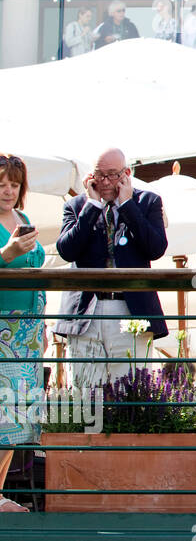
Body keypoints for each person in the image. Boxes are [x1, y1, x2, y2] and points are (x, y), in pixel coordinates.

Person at [54, 148, 168, 389]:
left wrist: (127, 205)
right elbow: (66, 250)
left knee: (132, 394)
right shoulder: (76, 206)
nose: (105, 182)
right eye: (99, 175)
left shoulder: (147, 202)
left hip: (131, 310)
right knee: (86, 395)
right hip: (87, 311)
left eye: (112, 175)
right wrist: (91, 206)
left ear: (126, 174)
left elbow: (156, 248)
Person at [0, 156, 45, 512]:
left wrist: (40, 326)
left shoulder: (24, 219)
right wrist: (8, 252)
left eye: (14, 184)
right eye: (1, 184)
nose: (8, 190)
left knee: (15, 417)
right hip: (1, 329)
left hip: (27, 331)